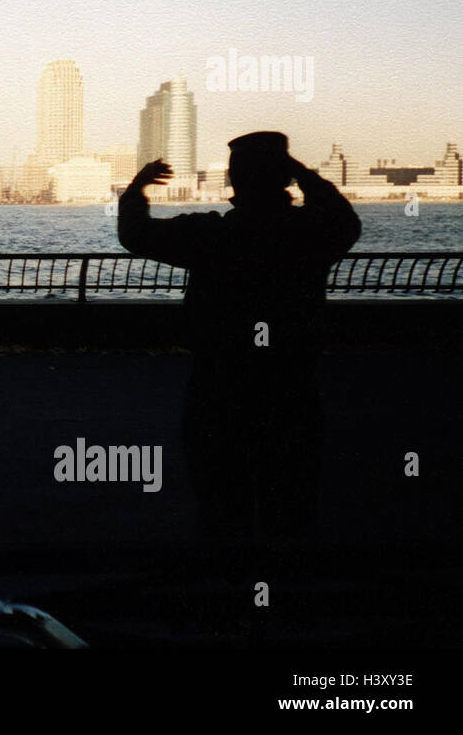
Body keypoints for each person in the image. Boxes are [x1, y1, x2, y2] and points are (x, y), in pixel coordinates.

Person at [117, 132, 361, 540]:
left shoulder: (209, 235)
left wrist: (136, 188)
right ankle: (287, 583)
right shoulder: (308, 234)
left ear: (234, 181)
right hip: (292, 383)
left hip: (219, 383)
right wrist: (304, 174)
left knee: (221, 498)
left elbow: (134, 234)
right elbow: (345, 220)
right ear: (285, 177)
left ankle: (226, 581)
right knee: (291, 499)